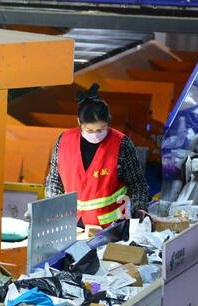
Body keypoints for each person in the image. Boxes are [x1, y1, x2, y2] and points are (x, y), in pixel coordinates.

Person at [44, 85, 150, 230]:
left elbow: (138, 184)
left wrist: (140, 208)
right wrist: (52, 207)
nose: (95, 135)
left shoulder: (122, 144)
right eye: (89, 130)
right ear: (79, 123)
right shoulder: (64, 141)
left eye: (100, 129)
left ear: (108, 122)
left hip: (110, 227)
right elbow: (54, 180)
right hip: (71, 225)